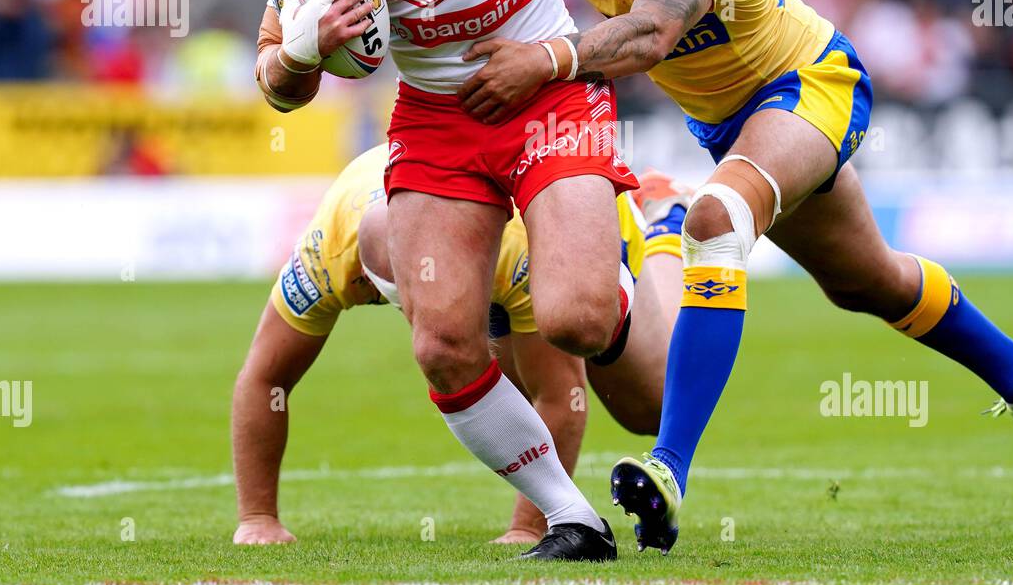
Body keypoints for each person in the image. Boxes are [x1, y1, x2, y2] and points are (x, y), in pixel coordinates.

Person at [254, 0, 853, 560]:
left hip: (547, 96)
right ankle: (573, 517)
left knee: (577, 319)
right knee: (441, 345)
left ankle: (661, 234)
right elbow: (277, 81)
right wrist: (302, 49)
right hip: (435, 120)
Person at [457, 0, 1013, 555]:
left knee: (715, 220)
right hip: (730, 125)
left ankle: (669, 470)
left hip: (808, 86)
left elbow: (647, 38)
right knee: (868, 283)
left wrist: (542, 60)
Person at [232, 146, 690, 547]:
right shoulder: (326, 254)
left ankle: (665, 224)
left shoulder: (513, 247)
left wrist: (528, 526)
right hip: (464, 254)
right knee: (481, 379)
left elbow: (560, 395)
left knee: (648, 408)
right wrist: (258, 518)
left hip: (557, 234)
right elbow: (264, 377)